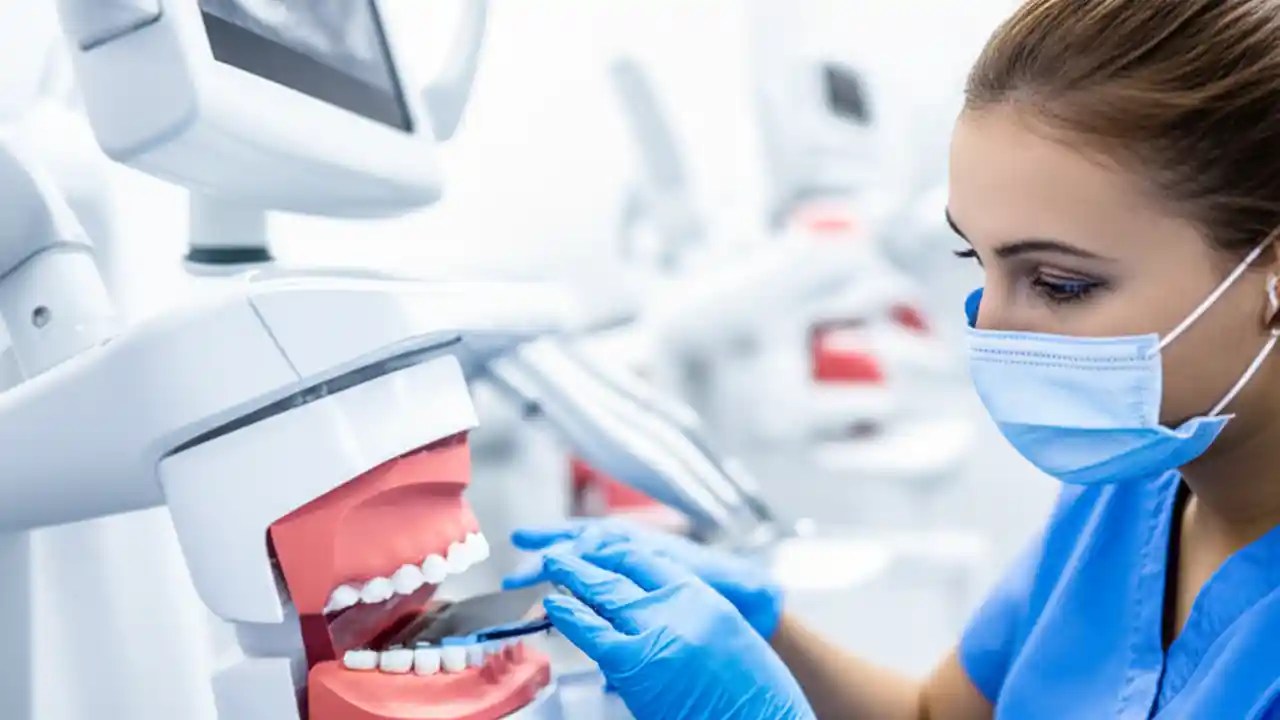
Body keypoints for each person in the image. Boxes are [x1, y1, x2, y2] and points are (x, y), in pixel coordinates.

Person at [509, 1, 1280, 717]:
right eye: (976, 261)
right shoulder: (1129, 491)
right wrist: (769, 633)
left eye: (1059, 283)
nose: (994, 331)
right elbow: (935, 714)